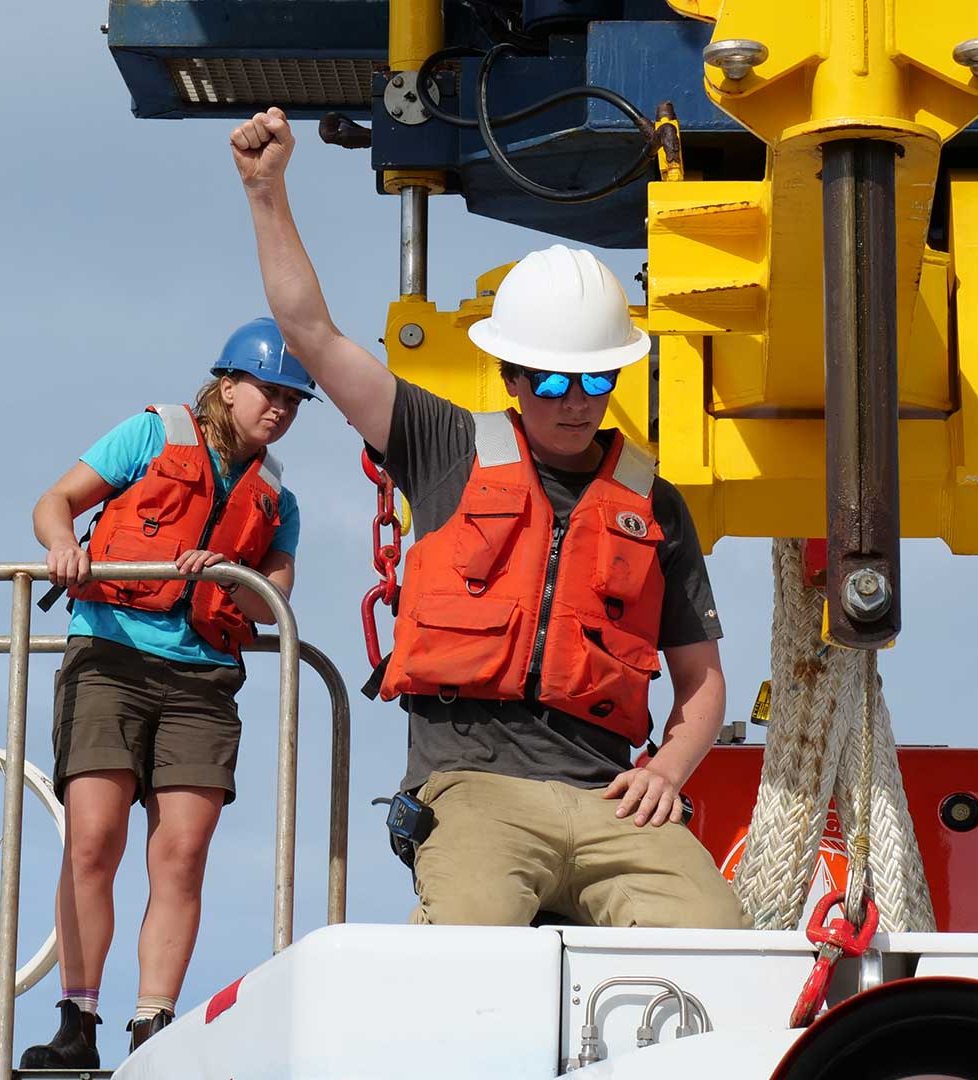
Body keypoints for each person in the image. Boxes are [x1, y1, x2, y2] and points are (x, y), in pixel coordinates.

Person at [231, 107, 743, 929]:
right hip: (473, 786)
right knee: (473, 947)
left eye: (595, 380)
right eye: (549, 381)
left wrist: (669, 771)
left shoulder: (653, 502)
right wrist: (266, 192)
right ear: (510, 378)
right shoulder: (444, 448)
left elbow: (703, 682)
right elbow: (312, 334)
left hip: (611, 795)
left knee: (720, 942)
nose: (574, 402)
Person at [19, 319, 314, 1066]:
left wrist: (231, 577)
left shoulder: (279, 502)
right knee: (93, 839)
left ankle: (153, 1029)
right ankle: (76, 1024)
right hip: (110, 656)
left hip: (202, 682)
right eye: (268, 391)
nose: (279, 408)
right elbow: (56, 500)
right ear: (227, 385)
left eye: (293, 399)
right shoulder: (150, 435)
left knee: (182, 854)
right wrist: (61, 543)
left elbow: (273, 598)